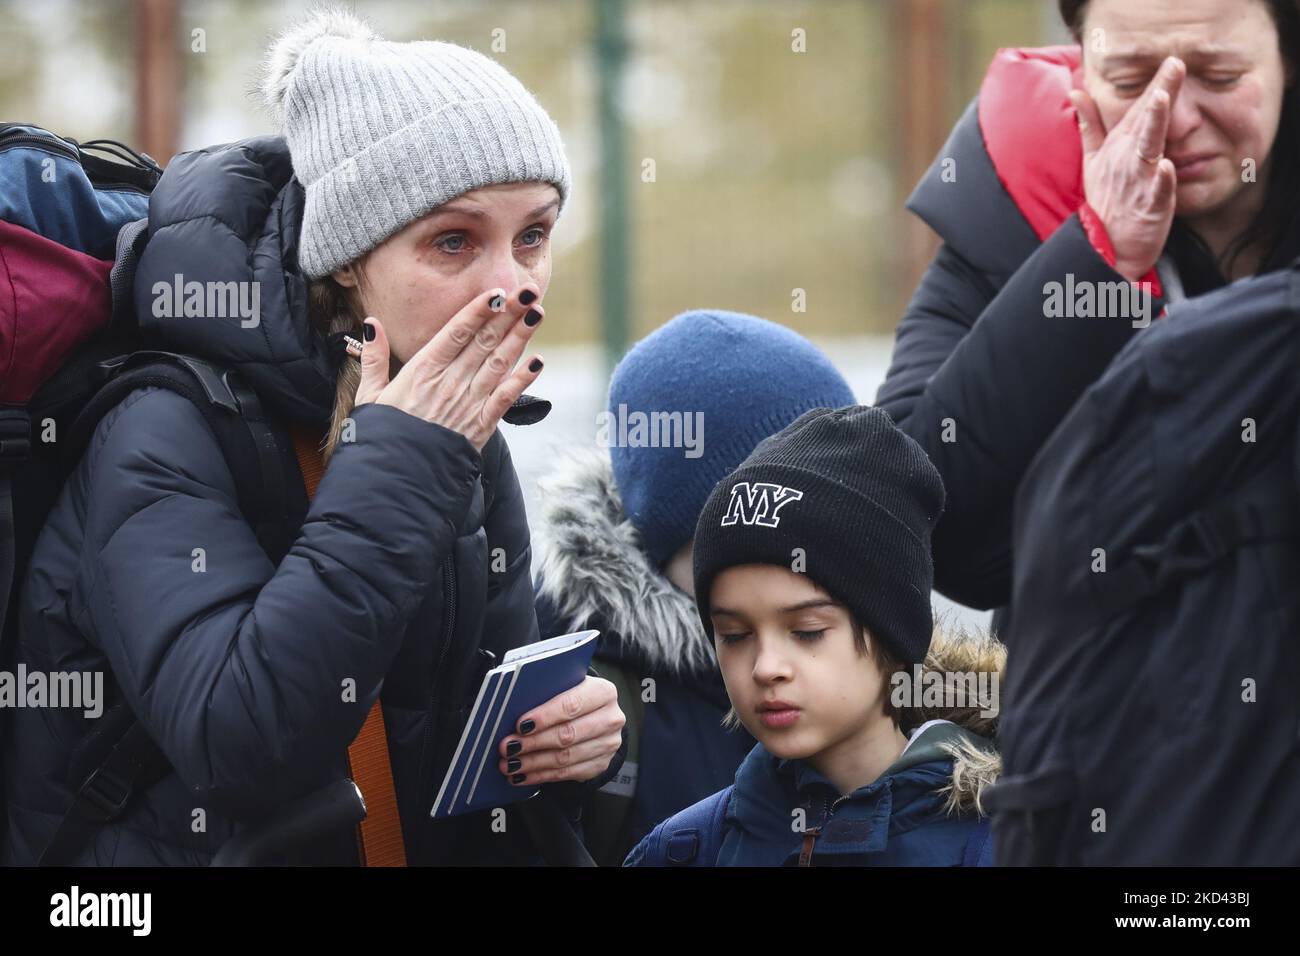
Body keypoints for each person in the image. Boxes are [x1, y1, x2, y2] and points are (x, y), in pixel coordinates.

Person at [1, 7, 622, 866]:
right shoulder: (162, 424)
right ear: (346, 255)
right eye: (453, 241)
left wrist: (567, 745)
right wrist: (403, 461)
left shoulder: (456, 429)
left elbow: (445, 730)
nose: (512, 289)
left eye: (534, 235)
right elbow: (241, 741)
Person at [876, 0, 1300, 626]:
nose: (1174, 117)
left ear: (1288, 58)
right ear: (1081, 68)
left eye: (1219, 77)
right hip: (1097, 705)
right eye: (1131, 82)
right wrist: (1097, 257)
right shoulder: (1011, 205)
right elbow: (913, 517)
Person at [532, 309, 857, 864]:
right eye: (774, 520)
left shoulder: (883, 653)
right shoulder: (571, 688)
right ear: (684, 530)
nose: (812, 553)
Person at [625, 406, 1003, 867]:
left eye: (807, 632)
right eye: (734, 634)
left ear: (895, 634)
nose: (766, 667)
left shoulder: (1013, 841)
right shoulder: (685, 849)